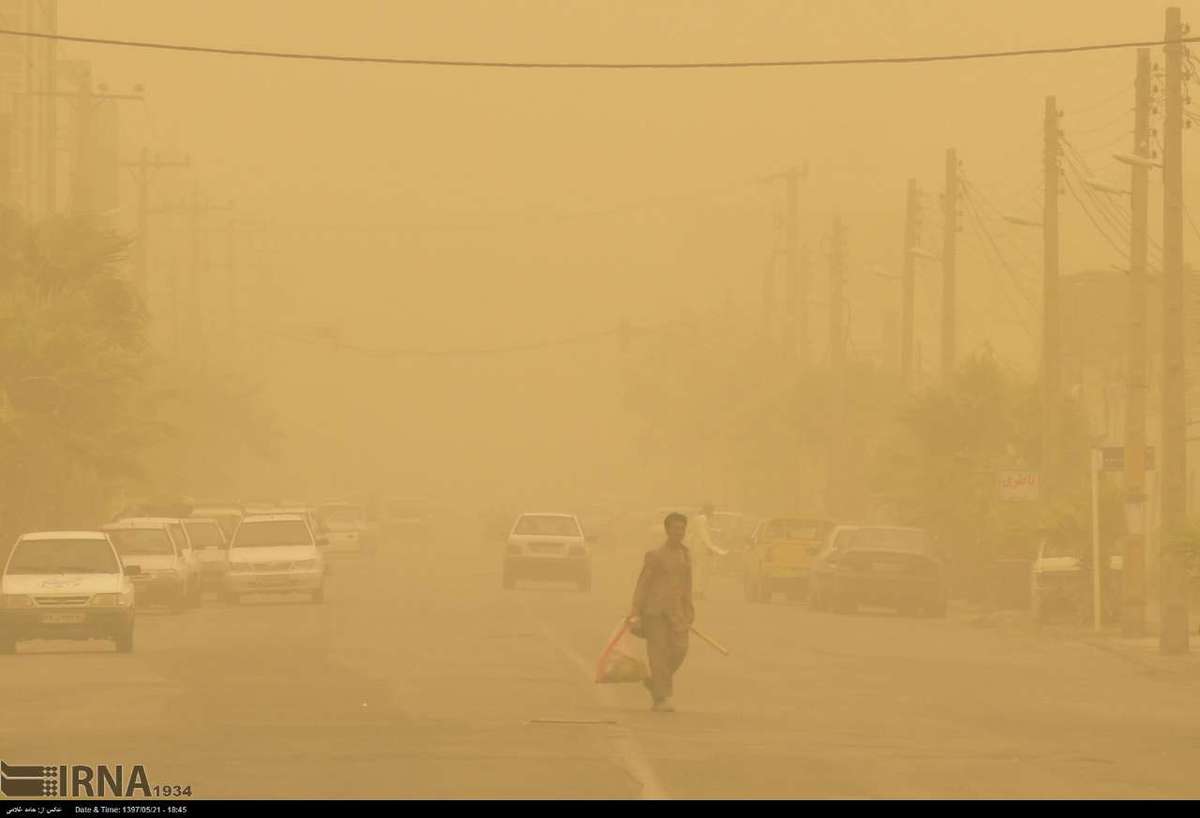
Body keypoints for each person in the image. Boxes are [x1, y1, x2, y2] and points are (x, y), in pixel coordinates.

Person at [628, 512, 695, 712]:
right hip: (654, 613)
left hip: (677, 613)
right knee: (657, 655)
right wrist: (635, 611)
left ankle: (655, 681)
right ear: (667, 531)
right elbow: (643, 584)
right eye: (675, 528)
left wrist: (689, 610)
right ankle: (661, 698)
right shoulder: (655, 556)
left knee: (680, 650)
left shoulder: (685, 555)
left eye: (682, 529)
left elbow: (687, 586)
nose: (678, 532)